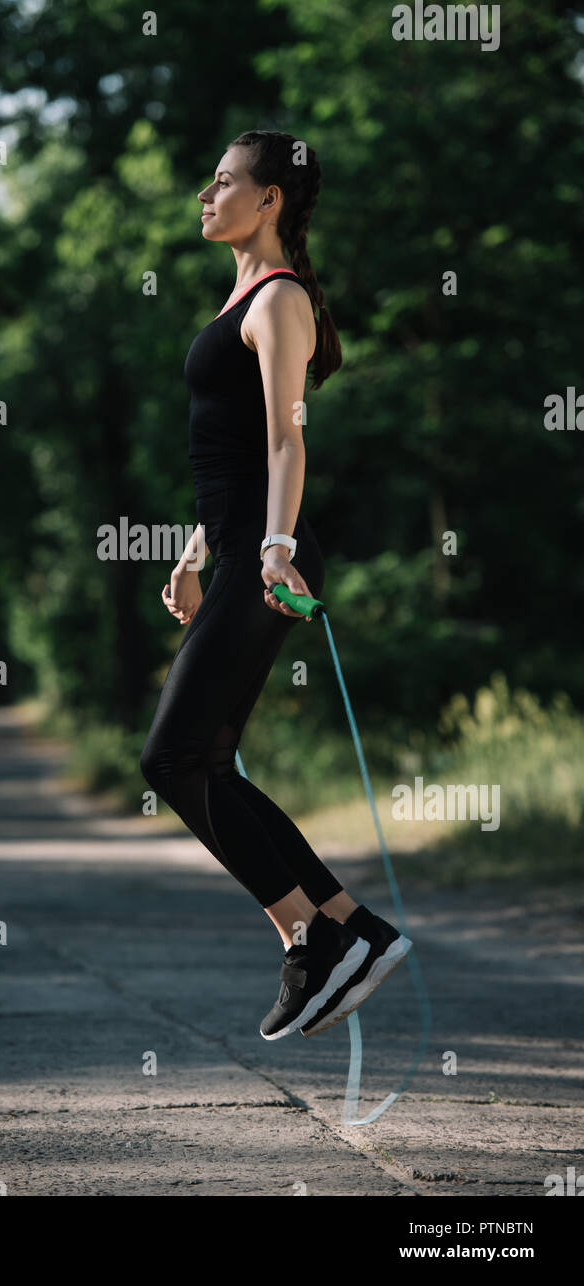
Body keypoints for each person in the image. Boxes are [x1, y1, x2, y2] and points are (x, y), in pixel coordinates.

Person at [139, 130, 411, 1039]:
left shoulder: (279, 299)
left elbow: (286, 440)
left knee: (170, 760)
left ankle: (312, 940)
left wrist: (274, 546)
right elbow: (226, 455)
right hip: (234, 552)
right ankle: (348, 926)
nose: (204, 196)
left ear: (270, 202)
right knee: (203, 763)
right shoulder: (239, 295)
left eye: (222, 183)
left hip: (265, 559)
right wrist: (192, 551)